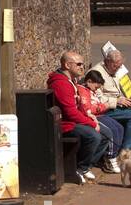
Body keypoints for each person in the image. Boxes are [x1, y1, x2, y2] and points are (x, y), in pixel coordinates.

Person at [47, 51, 109, 183]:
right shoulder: (61, 84)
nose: (82, 67)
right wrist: (91, 123)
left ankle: (86, 166)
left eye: (83, 64)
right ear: (68, 65)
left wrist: (90, 116)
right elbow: (70, 113)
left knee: (106, 134)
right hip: (64, 124)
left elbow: (78, 106)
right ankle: (80, 168)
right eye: (79, 64)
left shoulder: (71, 80)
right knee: (94, 136)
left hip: (73, 120)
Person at [89, 47, 131, 151]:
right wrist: (117, 101)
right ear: (107, 61)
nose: (118, 69)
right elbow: (96, 98)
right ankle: (126, 151)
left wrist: (124, 99)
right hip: (104, 109)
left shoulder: (112, 70)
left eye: (119, 66)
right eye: (116, 66)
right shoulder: (96, 73)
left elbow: (115, 92)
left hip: (114, 106)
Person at [78, 69, 123, 171]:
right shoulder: (83, 91)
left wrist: (102, 106)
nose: (95, 90)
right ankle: (110, 157)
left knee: (119, 128)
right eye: (96, 87)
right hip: (94, 116)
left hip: (100, 114)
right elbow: (88, 109)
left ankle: (114, 155)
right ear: (89, 81)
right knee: (111, 132)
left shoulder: (89, 90)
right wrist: (104, 106)